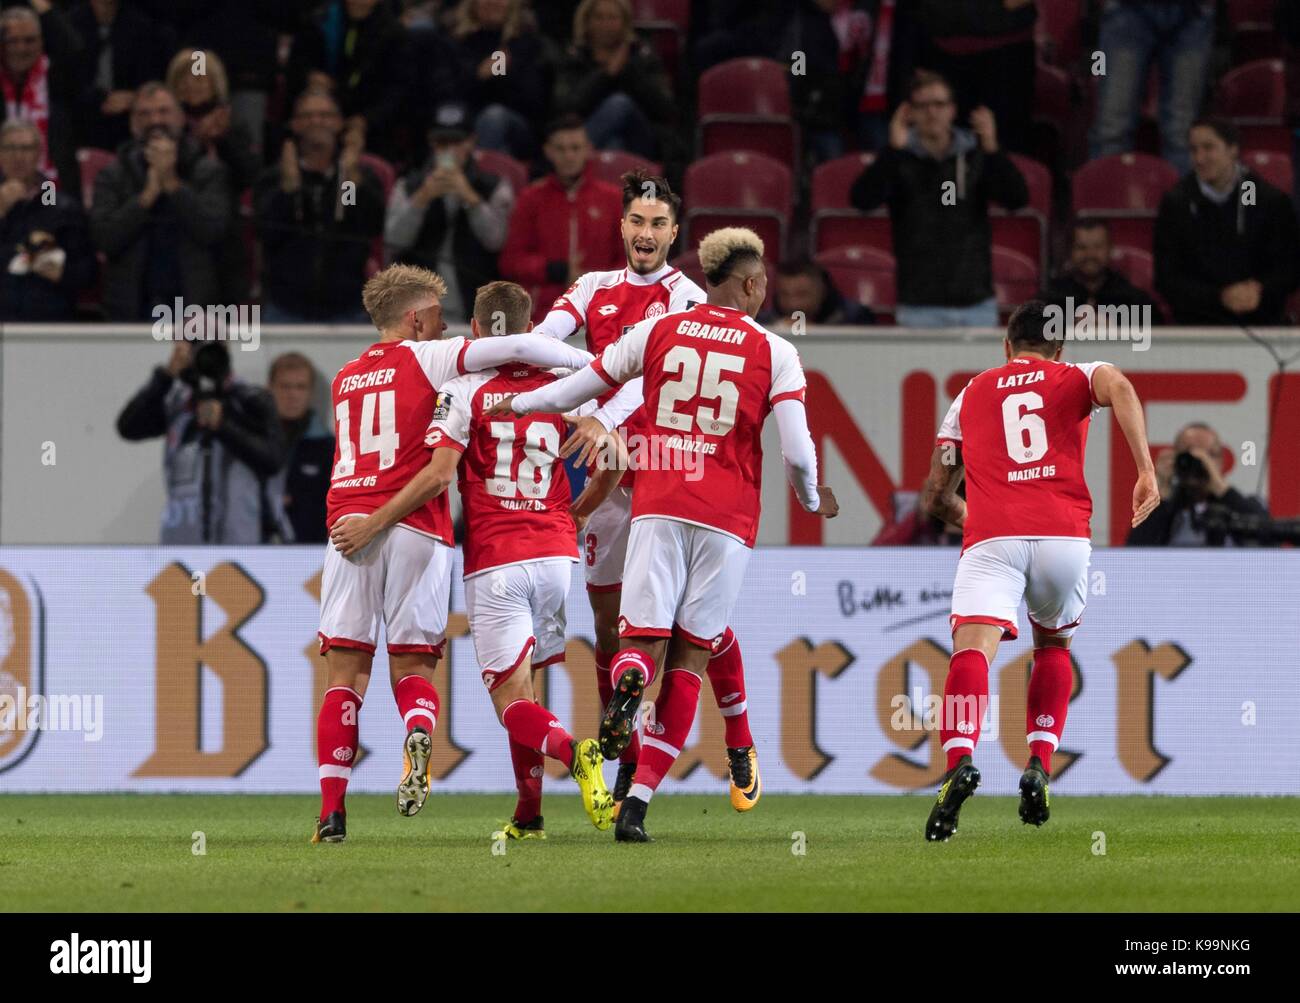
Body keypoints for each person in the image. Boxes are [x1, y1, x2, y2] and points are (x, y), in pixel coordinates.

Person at [489, 227, 840, 842]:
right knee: (689, 659)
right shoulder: (776, 351)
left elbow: (586, 383)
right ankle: (637, 806)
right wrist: (813, 497)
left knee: (640, 640)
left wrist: (518, 407)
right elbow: (798, 455)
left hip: (657, 503)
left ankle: (628, 682)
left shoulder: (657, 329)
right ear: (754, 286)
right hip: (726, 519)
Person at [308, 263, 598, 844]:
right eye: (438, 320)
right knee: (414, 665)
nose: (447, 331)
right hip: (422, 528)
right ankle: (420, 730)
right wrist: (603, 369)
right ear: (415, 320)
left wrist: (364, 524)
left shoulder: (342, 377)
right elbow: (510, 343)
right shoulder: (432, 360)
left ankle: (332, 815)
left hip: (349, 525)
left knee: (345, 672)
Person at [531, 171, 766, 815]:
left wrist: (603, 414)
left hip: (668, 472)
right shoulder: (593, 288)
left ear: (673, 232)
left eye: (659, 224)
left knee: (699, 628)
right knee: (615, 632)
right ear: (623, 225)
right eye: (637, 221)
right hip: (608, 481)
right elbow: (546, 340)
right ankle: (630, 757)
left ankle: (739, 742)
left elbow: (647, 382)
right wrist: (558, 375)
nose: (646, 234)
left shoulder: (689, 298)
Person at [918, 300, 1159, 842]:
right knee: (1052, 648)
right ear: (1059, 348)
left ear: (1006, 346)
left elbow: (935, 494)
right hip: (1063, 538)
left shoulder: (970, 392)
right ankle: (1039, 762)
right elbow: (1119, 384)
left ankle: (960, 761)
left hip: (993, 539)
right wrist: (1145, 471)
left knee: (971, 650)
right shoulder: (1076, 375)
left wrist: (976, 515)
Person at [425, 280, 624, 839]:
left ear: (474, 330)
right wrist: (579, 513)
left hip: (496, 558)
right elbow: (615, 456)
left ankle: (574, 750)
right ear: (532, 325)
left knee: (512, 702)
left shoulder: (461, 389)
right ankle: (529, 814)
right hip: (557, 557)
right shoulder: (568, 386)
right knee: (529, 685)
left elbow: (440, 470)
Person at [850, 69, 1027, 327]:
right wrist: (892, 151)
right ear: (909, 113)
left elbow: (1017, 199)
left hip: (976, 303)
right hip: (918, 305)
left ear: (953, 109)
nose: (932, 112)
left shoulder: (974, 156)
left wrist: (992, 148)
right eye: (922, 106)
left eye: (939, 104)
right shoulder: (899, 159)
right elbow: (861, 200)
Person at [115, 338, 284, 544]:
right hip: (181, 545)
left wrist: (224, 426)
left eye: (214, 343)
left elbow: (273, 460)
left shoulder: (250, 399)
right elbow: (129, 428)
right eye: (195, 344)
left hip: (241, 547)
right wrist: (166, 375)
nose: (205, 352)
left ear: (226, 349)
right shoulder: (176, 401)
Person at [89, 82, 233, 321]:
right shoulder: (113, 174)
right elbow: (104, 238)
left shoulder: (208, 171)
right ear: (133, 124)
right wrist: (147, 196)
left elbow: (213, 231)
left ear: (181, 118)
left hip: (193, 308)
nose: (155, 120)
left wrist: (172, 184)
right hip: (131, 307)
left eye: (163, 112)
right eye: (144, 114)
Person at [254, 87, 384, 324]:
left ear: (339, 123)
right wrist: (289, 190)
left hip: (347, 308)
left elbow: (368, 226)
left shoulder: (357, 177)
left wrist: (349, 178)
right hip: (285, 308)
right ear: (294, 124)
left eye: (325, 115)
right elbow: (267, 234)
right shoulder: (273, 178)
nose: (316, 121)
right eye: (307, 116)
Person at [1154, 118, 1300, 326]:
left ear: (1232, 149)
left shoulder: (1268, 200)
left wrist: (1260, 289)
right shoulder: (1177, 203)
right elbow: (1167, 279)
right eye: (1194, 150)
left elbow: (1289, 268)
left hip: (1261, 323)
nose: (1200, 158)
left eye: (1208, 148)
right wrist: (1219, 297)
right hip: (1197, 326)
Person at [384, 116, 514, 322]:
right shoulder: (409, 185)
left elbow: (496, 241)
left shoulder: (494, 186)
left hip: (478, 308)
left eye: (457, 142)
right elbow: (394, 242)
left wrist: (471, 199)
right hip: (416, 311)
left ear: (471, 142)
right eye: (443, 144)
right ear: (432, 143)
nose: (449, 151)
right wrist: (421, 199)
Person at [498, 115, 623, 321]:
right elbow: (511, 260)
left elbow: (627, 260)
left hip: (601, 311)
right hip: (543, 314)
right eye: (561, 149)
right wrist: (556, 270)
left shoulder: (613, 199)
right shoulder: (531, 198)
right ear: (548, 151)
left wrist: (595, 282)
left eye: (575, 148)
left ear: (588, 150)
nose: (569, 156)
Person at [166, 47, 261, 305]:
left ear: (215, 83)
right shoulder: (166, 121)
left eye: (199, 77)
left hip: (226, 231)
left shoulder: (232, 124)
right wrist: (196, 142)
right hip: (179, 227)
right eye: (184, 78)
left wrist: (223, 139)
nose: (191, 84)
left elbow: (250, 174)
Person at [1088, 0, 1214, 176]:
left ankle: (1179, 203)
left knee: (1182, 133)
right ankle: (1107, 199)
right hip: (1126, 11)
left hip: (1192, 13)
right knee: (1112, 128)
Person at [553, 0, 674, 159]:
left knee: (620, 104)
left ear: (625, 23)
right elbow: (565, 108)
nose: (605, 24)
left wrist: (630, 71)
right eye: (599, 17)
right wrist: (605, 75)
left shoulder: (643, 56)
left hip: (643, 139)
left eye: (612, 18)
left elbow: (665, 108)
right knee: (613, 143)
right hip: (595, 136)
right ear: (587, 22)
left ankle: (571, 156)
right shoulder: (574, 58)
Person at [0, 119, 96, 320]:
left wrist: (62, 273)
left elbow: (88, 271)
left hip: (48, 320)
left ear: (39, 154)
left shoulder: (61, 205)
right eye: (9, 148)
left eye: (26, 148)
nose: (18, 156)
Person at [1125, 422, 1271, 546]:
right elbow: (1135, 554)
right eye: (1189, 455)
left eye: (1209, 455)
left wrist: (1220, 486)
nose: (1200, 463)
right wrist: (1161, 491)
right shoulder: (1167, 510)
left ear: (1221, 461)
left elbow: (1269, 541)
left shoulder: (1244, 505)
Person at [446, 0, 549, 160]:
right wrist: (480, 76)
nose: (492, 2)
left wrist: (496, 72)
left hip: (517, 125)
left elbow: (533, 100)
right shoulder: (457, 41)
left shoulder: (525, 41)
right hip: (467, 120)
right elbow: (451, 92)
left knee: (494, 115)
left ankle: (476, 178)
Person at [0, 2, 83, 201]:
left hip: (49, 186)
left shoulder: (55, 79)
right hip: (2, 185)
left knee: (46, 224)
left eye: (29, 40)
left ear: (41, 42)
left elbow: (73, 49)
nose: (21, 48)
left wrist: (41, 4)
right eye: (13, 41)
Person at [70, 0, 176, 153]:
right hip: (82, 115)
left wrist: (135, 96)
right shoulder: (70, 25)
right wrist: (101, 99)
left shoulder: (143, 27)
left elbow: (152, 78)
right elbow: (67, 81)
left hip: (128, 118)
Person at [265, 352, 334, 545]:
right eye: (285, 386)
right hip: (252, 552)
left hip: (311, 555)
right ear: (270, 388)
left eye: (300, 387)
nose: (292, 394)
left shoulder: (329, 448)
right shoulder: (250, 441)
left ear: (310, 392)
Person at [1046, 219, 1163, 324]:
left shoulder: (1132, 297)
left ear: (1110, 249)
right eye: (1081, 247)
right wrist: (1069, 327)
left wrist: (1115, 328)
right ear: (1069, 251)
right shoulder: (1052, 298)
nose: (1090, 254)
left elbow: (1159, 333)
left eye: (1098, 247)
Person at [765, 258, 875, 330]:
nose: (793, 304)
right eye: (784, 294)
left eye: (802, 295)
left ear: (822, 292)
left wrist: (815, 331)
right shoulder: (764, 321)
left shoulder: (856, 317)